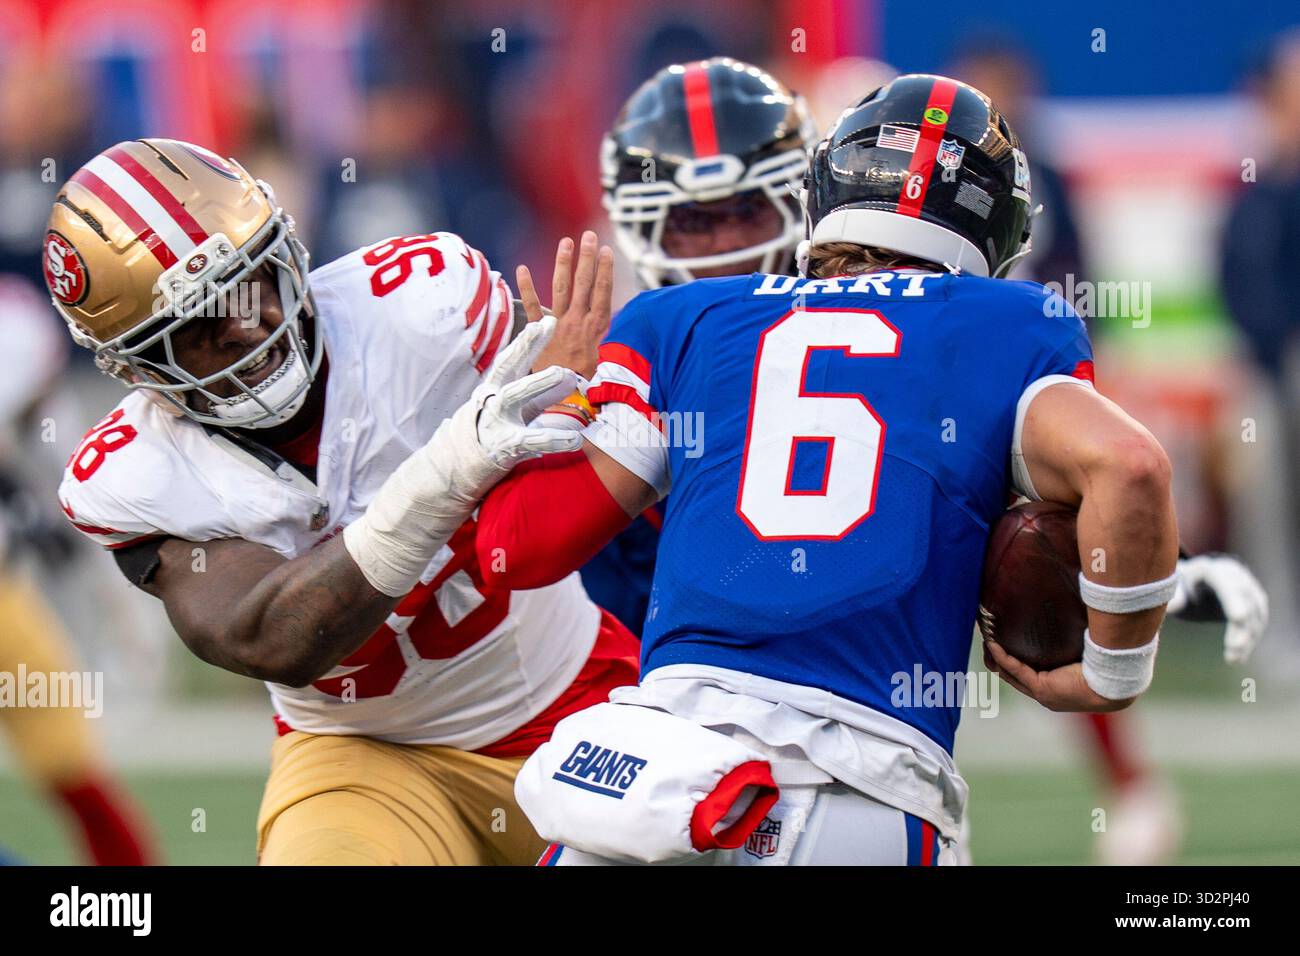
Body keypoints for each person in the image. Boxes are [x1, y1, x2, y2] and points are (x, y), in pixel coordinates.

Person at [478, 74, 1181, 865]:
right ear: (1003, 229)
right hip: (864, 794)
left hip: (656, 787)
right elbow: (1131, 467)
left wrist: (561, 403)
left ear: (819, 189)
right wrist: (1116, 670)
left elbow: (517, 550)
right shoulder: (1012, 322)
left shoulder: (677, 319)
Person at [45, 138, 631, 864]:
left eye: (247, 280)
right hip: (364, 759)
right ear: (138, 367)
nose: (243, 323)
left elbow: (588, 469)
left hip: (573, 700)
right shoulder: (139, 473)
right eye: (195, 325)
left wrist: (586, 404)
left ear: (285, 249)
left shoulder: (424, 306)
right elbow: (273, 639)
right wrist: (455, 466)